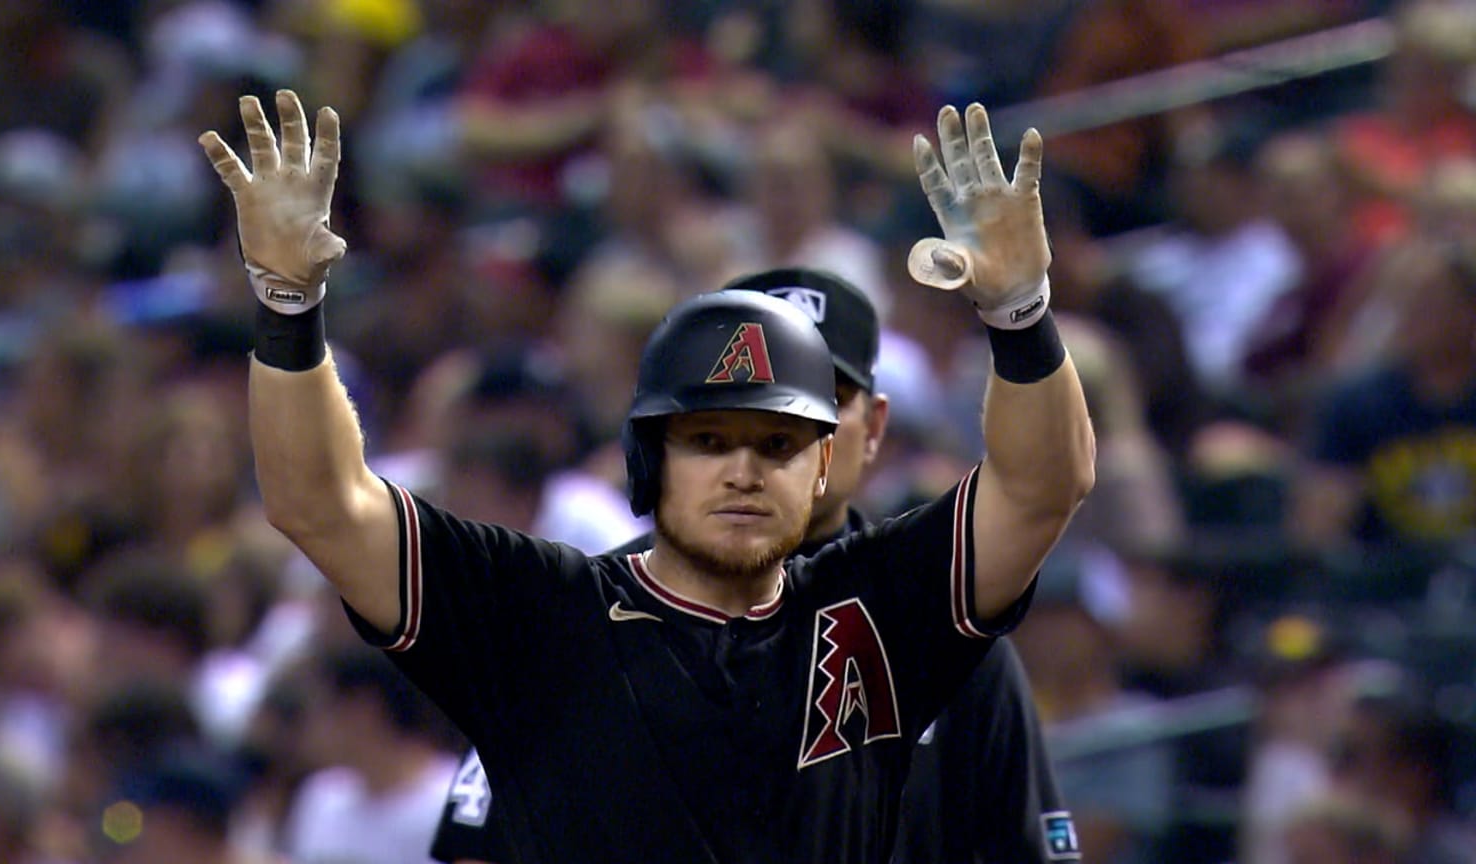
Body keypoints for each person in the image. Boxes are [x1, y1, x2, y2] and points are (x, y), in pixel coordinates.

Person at [200, 89, 1094, 864]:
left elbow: (1041, 486)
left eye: (778, 444)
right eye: (709, 440)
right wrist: (288, 309)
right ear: (648, 457)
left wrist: (1020, 314)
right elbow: (318, 503)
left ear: (827, 462)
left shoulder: (880, 608)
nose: (744, 469)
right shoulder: (545, 615)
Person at [429, 267, 1080, 863]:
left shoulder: (948, 623)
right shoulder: (586, 613)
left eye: (822, 396)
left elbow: (1030, 847)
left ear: (871, 426)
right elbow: (479, 845)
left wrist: (1020, 309)